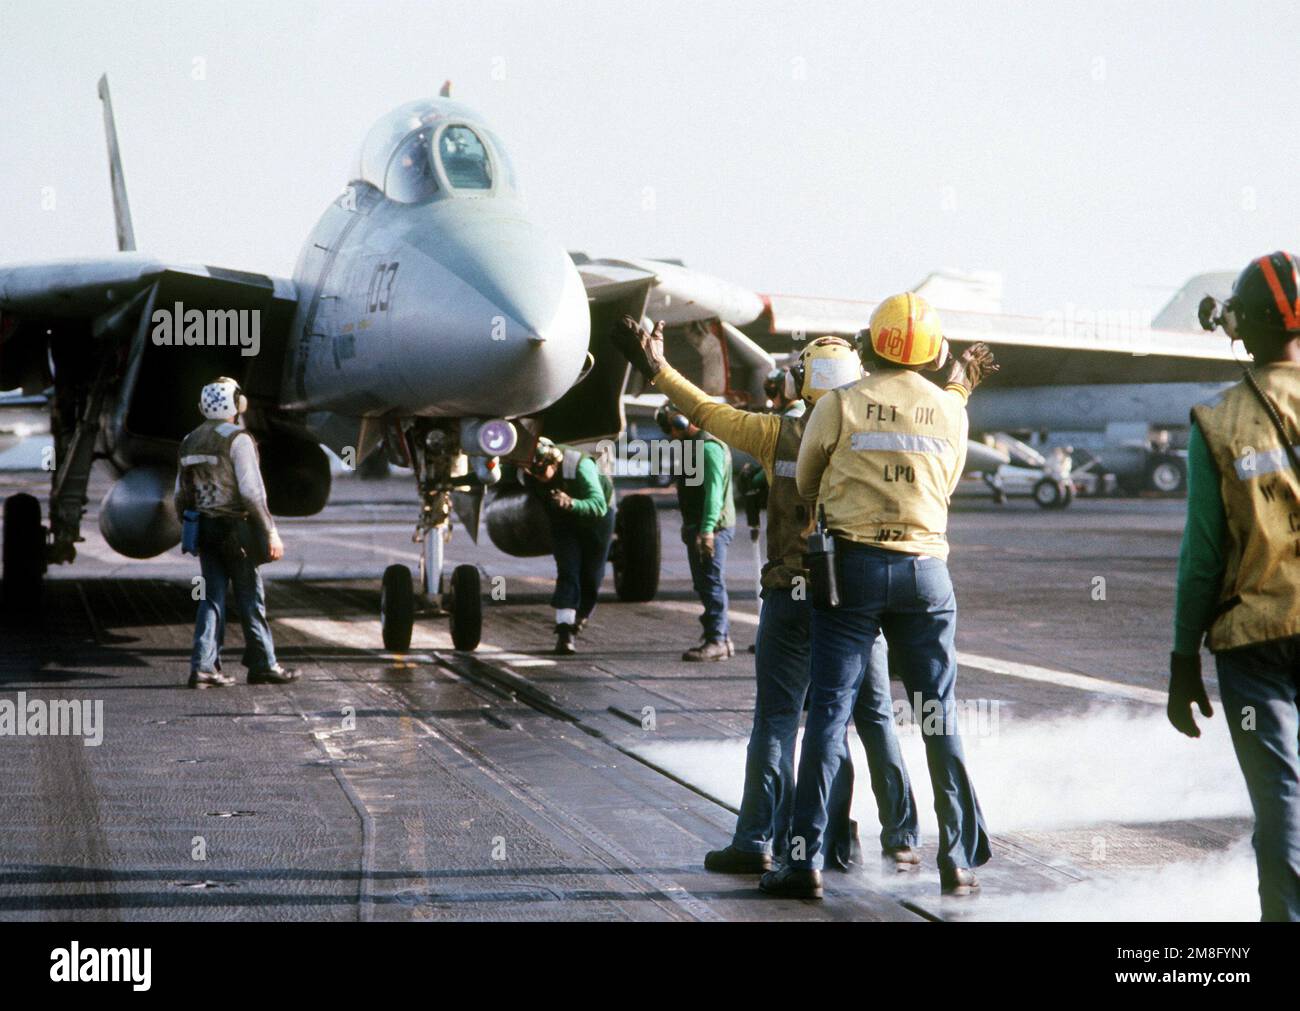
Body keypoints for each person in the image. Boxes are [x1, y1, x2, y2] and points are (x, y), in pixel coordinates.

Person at [613, 319, 922, 879]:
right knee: (875, 719)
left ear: (801, 379)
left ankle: (755, 839)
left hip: (791, 592)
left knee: (777, 721)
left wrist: (658, 367)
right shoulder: (871, 436)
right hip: (854, 598)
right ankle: (899, 837)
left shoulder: (775, 433)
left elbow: (706, 411)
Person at [761, 293, 998, 899]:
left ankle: (803, 860)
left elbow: (809, 478)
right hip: (926, 573)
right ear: (936, 353)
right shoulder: (951, 409)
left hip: (852, 572)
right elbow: (947, 481)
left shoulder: (841, 402)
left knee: (829, 718)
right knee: (938, 717)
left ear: (868, 347)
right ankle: (958, 859)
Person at [1169, 250, 1300, 921]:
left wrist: (1181, 659)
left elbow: (1202, 556)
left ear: (1239, 326)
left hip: (1255, 640)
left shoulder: (1218, 422)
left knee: (1281, 801)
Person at [174, 377, 297, 688]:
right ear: (237, 404)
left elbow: (180, 495)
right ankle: (264, 664)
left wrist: (191, 528)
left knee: (212, 599)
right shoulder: (238, 440)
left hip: (204, 528)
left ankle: (203, 668)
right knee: (250, 597)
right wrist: (270, 532)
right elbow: (253, 494)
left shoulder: (189, 440)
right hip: (234, 529)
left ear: (203, 405)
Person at [655, 400, 736, 661]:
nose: (672, 434)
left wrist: (707, 530)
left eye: (672, 427)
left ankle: (717, 640)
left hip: (713, 527)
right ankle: (720, 634)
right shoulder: (691, 446)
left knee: (711, 583)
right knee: (704, 583)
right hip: (699, 526)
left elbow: (713, 494)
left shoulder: (709, 448)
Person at [523, 437, 616, 655]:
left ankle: (581, 616)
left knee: (592, 576)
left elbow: (599, 505)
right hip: (563, 520)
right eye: (531, 473)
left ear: (553, 464)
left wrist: (572, 503)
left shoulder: (580, 465)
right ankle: (564, 632)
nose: (537, 478)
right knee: (568, 570)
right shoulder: (525, 470)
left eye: (539, 472)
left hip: (596, 518)